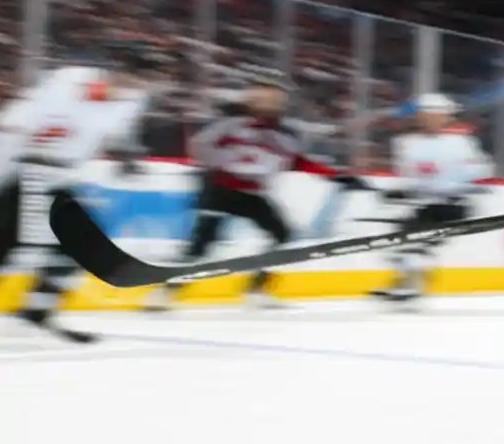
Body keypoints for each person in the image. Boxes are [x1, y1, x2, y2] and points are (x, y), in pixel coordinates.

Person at [146, 72, 364, 310]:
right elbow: (199, 145)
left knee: (283, 236)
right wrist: (222, 163)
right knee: (201, 245)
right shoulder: (230, 123)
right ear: (251, 98)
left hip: (253, 195)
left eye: (274, 97)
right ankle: (165, 292)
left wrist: (334, 175)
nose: (268, 101)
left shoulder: (283, 134)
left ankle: (257, 289)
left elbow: (296, 160)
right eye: (262, 96)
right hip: (221, 190)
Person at [0, 66, 149, 342]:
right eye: (124, 81)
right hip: (26, 175)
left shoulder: (122, 104)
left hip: (57, 179)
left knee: (80, 248)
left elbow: (113, 132)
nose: (125, 90)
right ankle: (35, 313)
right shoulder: (61, 89)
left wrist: (127, 155)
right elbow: (13, 124)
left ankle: (36, 312)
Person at [369, 92, 493, 302]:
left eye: (436, 115)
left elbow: (481, 171)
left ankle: (411, 284)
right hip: (424, 205)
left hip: (453, 205)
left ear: (446, 117)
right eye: (426, 115)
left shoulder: (462, 143)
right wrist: (401, 191)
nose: (430, 119)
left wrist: (463, 188)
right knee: (402, 243)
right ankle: (406, 282)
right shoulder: (407, 143)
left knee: (416, 243)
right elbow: (411, 177)